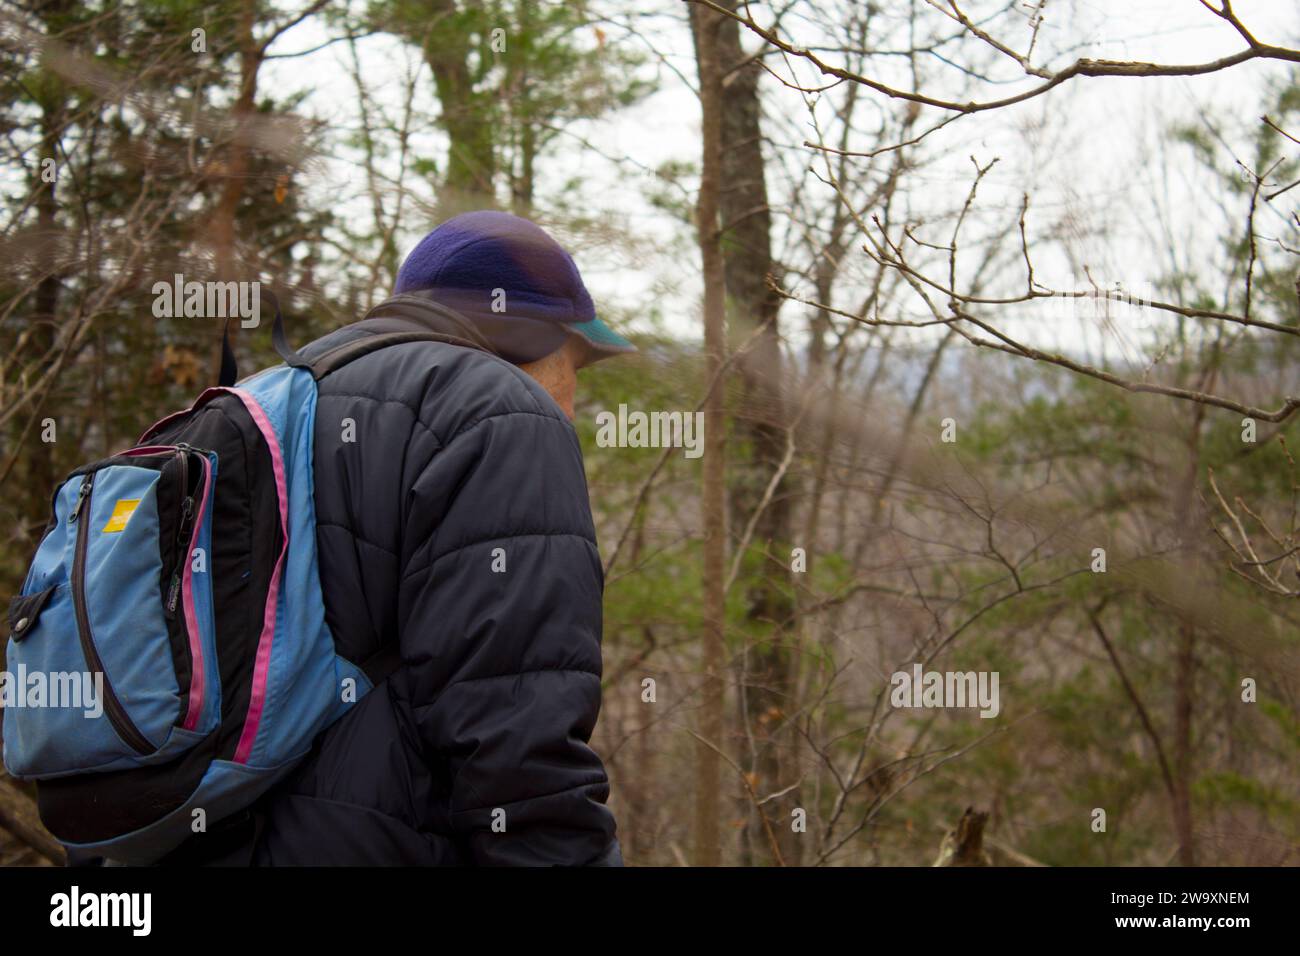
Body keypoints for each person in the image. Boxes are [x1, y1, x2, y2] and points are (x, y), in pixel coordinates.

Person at [229, 211, 631, 865]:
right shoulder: (504, 415)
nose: (573, 401)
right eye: (574, 365)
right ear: (525, 340)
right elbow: (520, 751)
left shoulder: (282, 397)